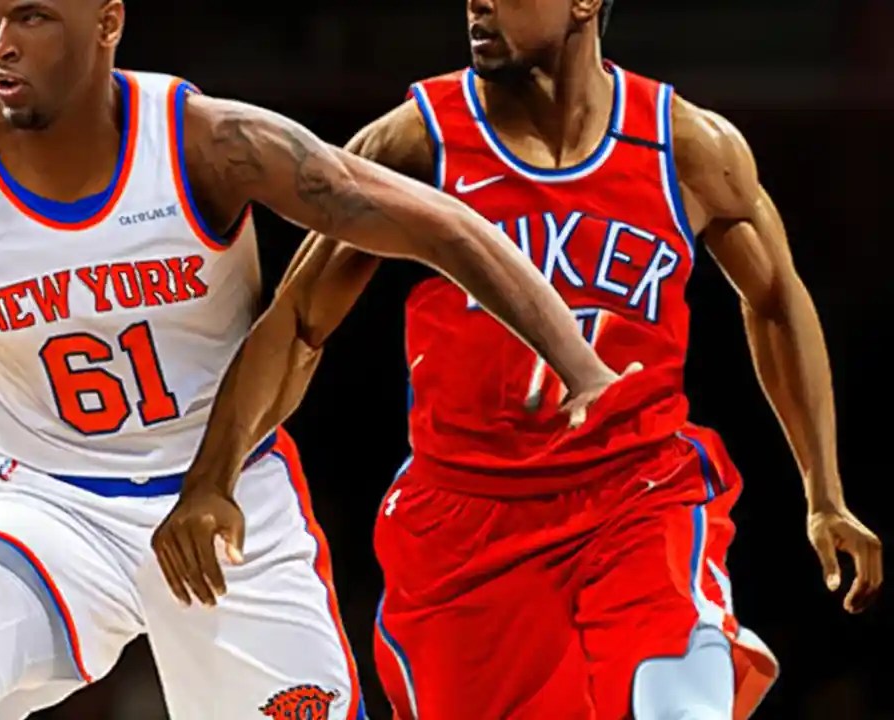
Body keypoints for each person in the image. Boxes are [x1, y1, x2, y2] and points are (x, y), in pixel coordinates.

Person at [0, 1, 627, 718]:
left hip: (222, 496)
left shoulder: (207, 145)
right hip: (46, 503)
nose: (0, 46)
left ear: (108, 20)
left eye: (31, 18)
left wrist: (576, 364)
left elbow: (442, 226)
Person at [152, 0, 884, 718]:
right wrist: (213, 478)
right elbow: (299, 322)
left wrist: (824, 491)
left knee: (679, 698)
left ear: (583, 5)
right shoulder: (418, 143)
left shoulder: (686, 145)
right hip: (465, 518)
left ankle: (692, 658)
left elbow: (778, 301)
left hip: (635, 487)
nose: (478, 3)